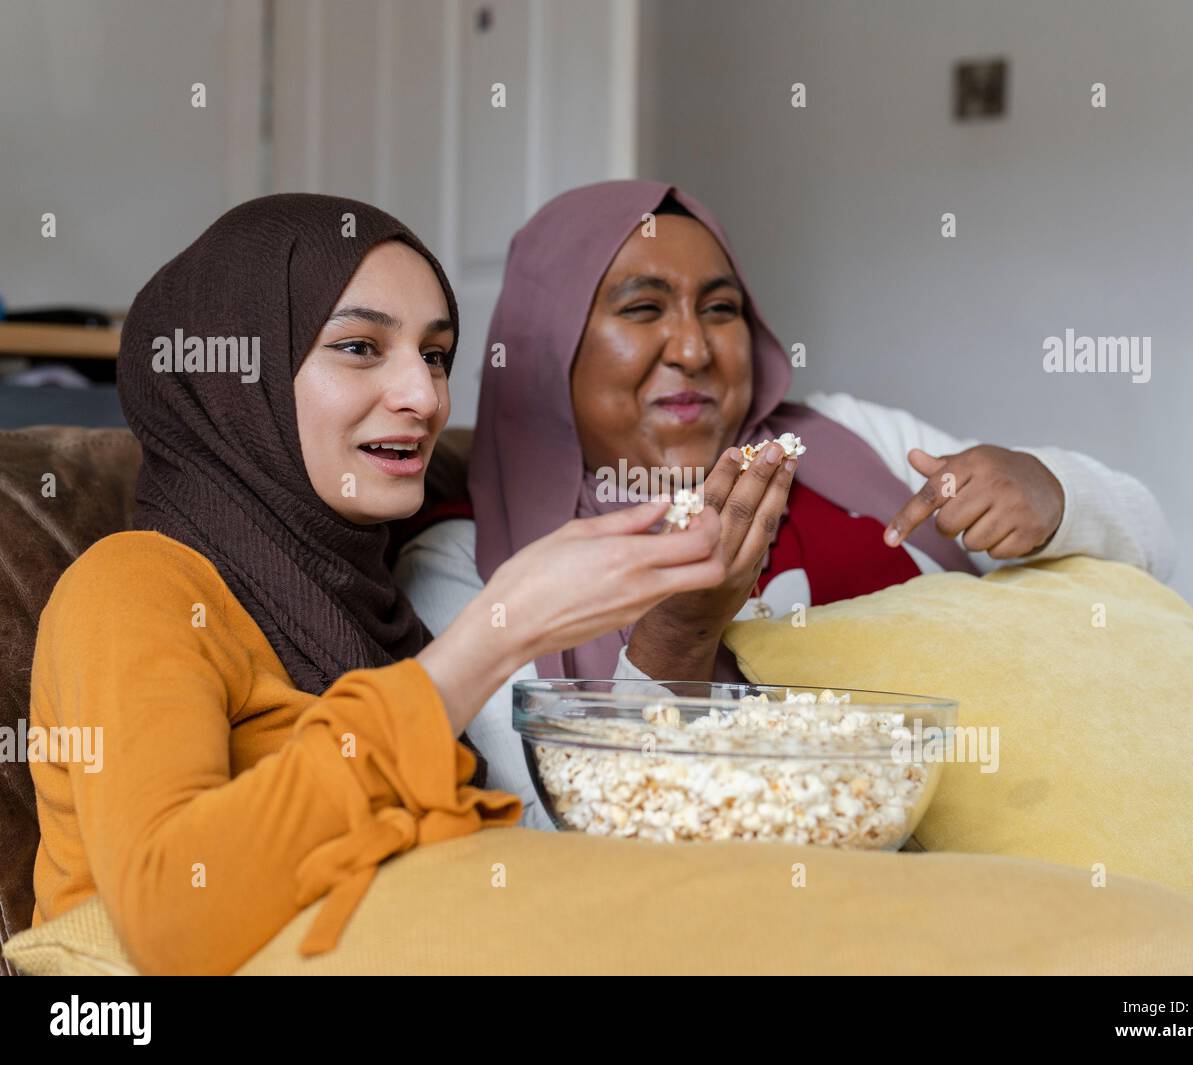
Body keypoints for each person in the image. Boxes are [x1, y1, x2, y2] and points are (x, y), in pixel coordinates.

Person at [26, 193, 723, 975]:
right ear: (233, 378)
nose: (424, 398)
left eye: (434, 354)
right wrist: (500, 629)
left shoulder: (369, 603)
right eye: (360, 347)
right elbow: (173, 910)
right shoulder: (133, 586)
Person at [397, 180, 1174, 829]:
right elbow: (553, 832)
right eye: (642, 309)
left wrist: (1053, 490)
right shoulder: (468, 561)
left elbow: (1155, 551)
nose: (695, 349)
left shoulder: (850, 437)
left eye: (721, 307)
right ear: (544, 344)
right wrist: (678, 642)